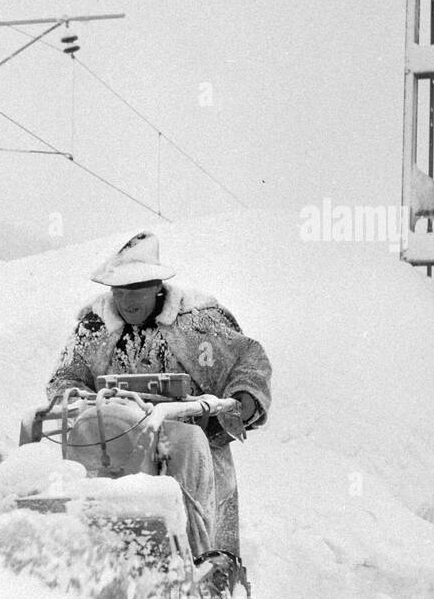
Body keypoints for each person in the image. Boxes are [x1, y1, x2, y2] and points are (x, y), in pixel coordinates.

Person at [45, 230, 271, 560]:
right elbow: (64, 379)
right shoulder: (93, 328)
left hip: (197, 453)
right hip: (116, 457)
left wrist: (242, 401)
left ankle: (213, 589)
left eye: (137, 288)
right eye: (121, 289)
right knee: (113, 544)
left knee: (210, 559)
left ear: (157, 286)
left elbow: (249, 360)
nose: (128, 300)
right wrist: (82, 404)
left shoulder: (199, 321)